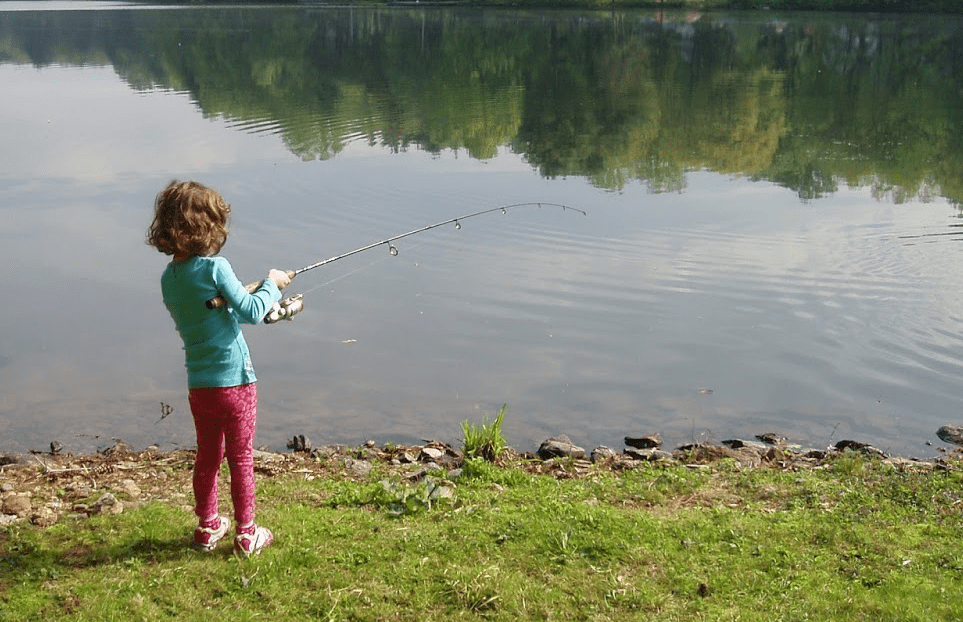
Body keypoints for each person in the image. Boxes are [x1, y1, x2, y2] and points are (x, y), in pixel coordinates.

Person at [146, 180, 291, 556]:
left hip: (200, 386)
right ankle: (247, 532)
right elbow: (255, 312)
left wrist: (233, 297)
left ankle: (208, 526)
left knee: (208, 455)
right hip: (236, 384)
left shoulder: (169, 279)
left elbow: (210, 315)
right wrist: (273, 284)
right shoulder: (216, 268)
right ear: (209, 228)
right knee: (241, 457)